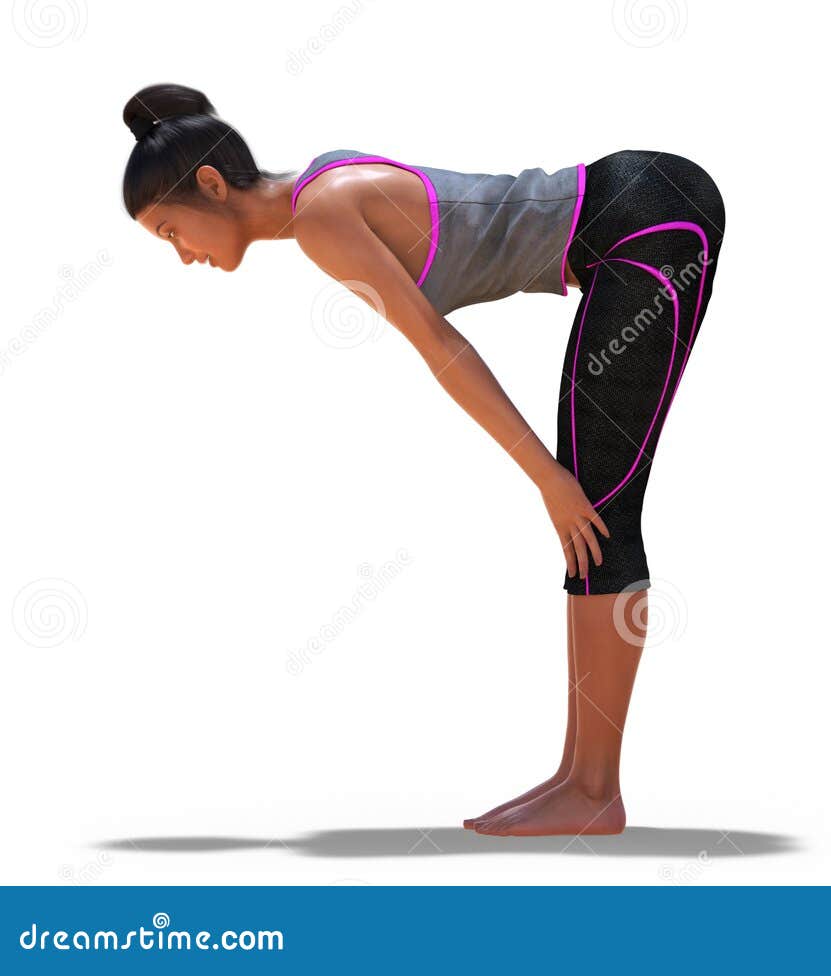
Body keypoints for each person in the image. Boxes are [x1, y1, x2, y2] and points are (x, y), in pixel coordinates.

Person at [122, 83, 725, 833]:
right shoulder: (322, 183)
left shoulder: (321, 218)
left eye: (172, 231)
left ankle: (596, 790)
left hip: (651, 221)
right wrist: (549, 480)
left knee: (596, 511)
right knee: (587, 515)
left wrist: (545, 479)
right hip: (640, 212)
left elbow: (442, 349)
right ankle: (579, 777)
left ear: (210, 185)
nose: (183, 257)